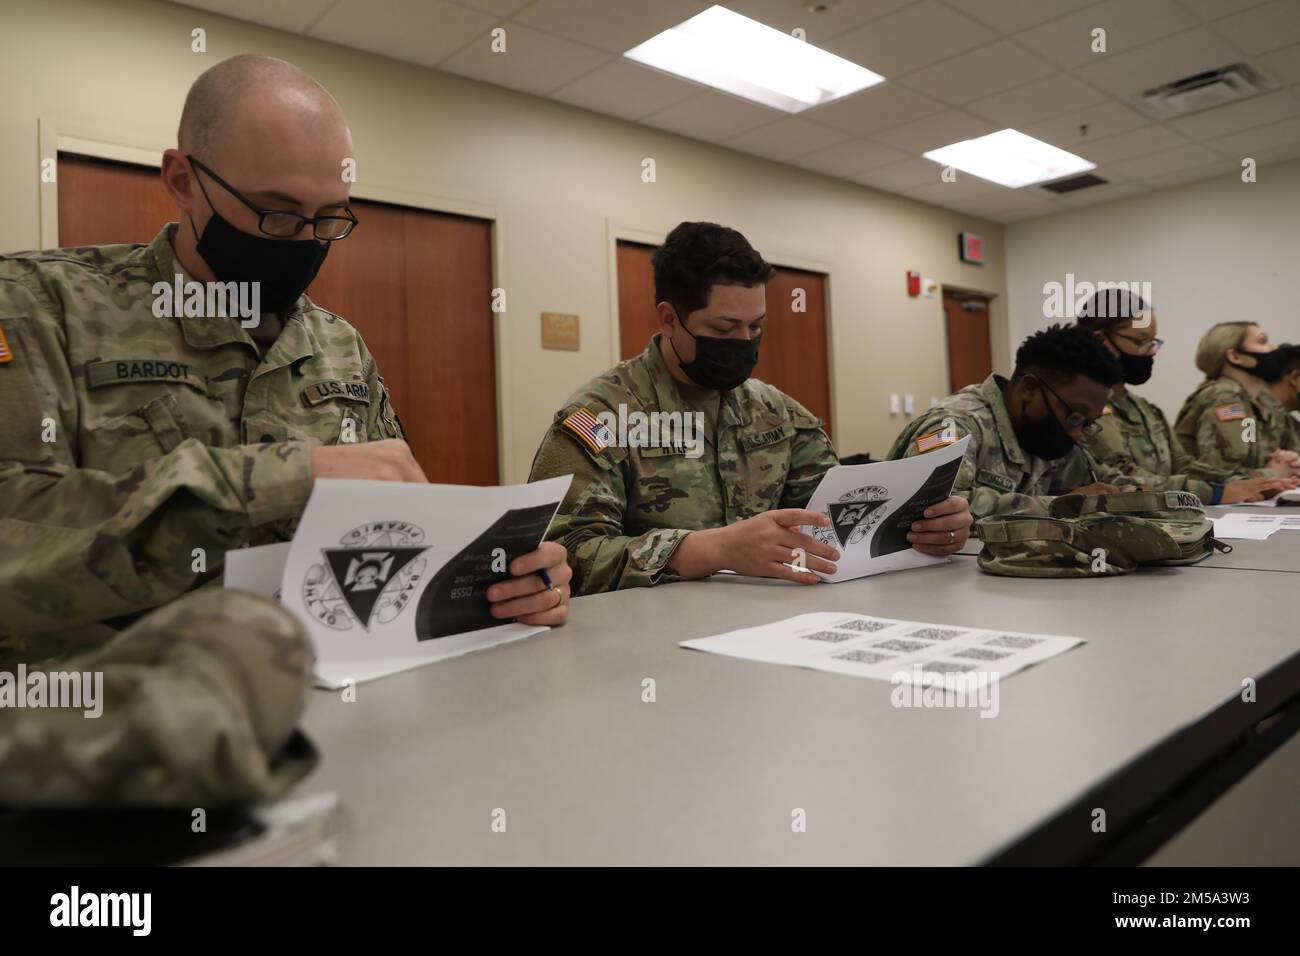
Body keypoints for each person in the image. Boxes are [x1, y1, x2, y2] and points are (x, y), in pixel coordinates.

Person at [0, 55, 570, 806]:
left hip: (345, 729)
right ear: (182, 180)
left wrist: (494, 581)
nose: (303, 239)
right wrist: (287, 479)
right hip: (98, 755)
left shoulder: (338, 345)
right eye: (274, 213)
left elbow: (394, 537)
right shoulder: (38, 308)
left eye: (328, 218)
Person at [528, 221, 971, 595]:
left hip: (773, 627)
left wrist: (919, 527)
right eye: (725, 326)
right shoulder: (605, 416)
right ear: (668, 319)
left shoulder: (780, 415)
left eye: (756, 326)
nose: (744, 342)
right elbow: (560, 559)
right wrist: (706, 550)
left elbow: (833, 524)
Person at [1077, 290, 1295, 505]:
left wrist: (1247, 483)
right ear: (1100, 339)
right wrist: (1217, 492)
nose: (1152, 352)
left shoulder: (1145, 408)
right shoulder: (1086, 406)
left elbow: (1182, 463)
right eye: (1140, 341)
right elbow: (1121, 476)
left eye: (1153, 342)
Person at [889, 324, 1129, 518]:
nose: (1077, 434)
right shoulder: (953, 426)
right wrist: (1059, 507)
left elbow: (1108, 484)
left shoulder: (1045, 433)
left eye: (1088, 423)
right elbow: (929, 508)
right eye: (1076, 416)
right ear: (1030, 389)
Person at [1174, 322, 1299, 474]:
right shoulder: (1223, 397)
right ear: (1235, 356)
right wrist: (1274, 474)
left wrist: (1289, 461)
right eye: (1262, 341)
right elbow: (1217, 475)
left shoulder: (1259, 400)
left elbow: (1254, 460)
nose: (1273, 348)